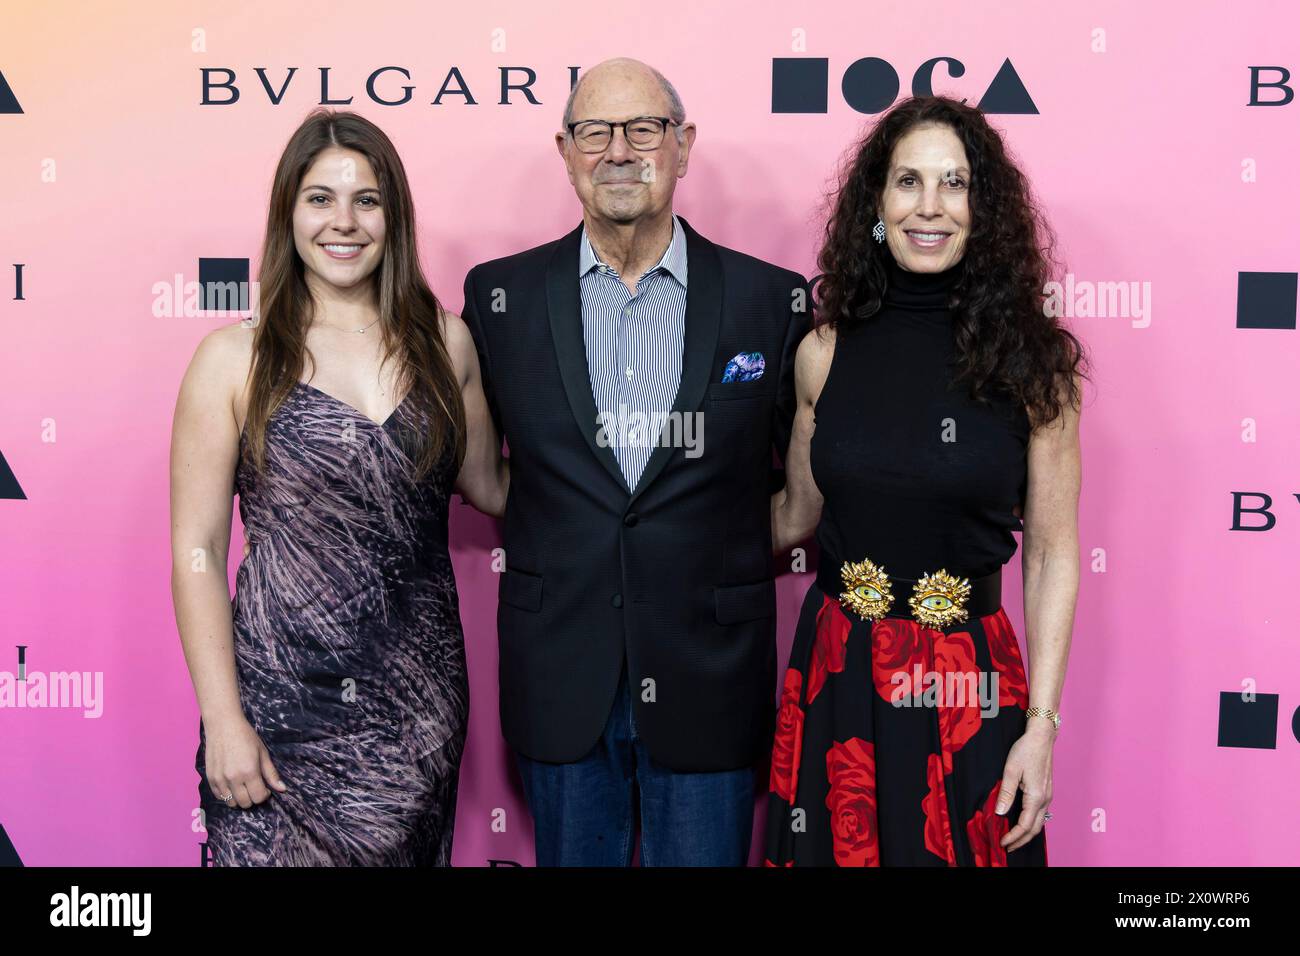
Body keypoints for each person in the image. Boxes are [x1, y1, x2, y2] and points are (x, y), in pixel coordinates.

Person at [461, 57, 810, 866]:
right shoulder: (499, 301)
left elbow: (802, 489)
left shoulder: (772, 300)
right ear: (565, 149)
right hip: (561, 674)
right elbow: (484, 478)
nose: (620, 151)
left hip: (709, 673)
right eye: (595, 132)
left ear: (683, 146)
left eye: (644, 129)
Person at [170, 108, 507, 866]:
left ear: (394, 215)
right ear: (288, 212)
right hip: (276, 707)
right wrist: (222, 718)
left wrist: (635, 477)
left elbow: (491, 486)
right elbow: (196, 550)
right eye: (320, 198)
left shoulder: (445, 342)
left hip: (415, 709)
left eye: (367, 199)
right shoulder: (233, 359)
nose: (343, 221)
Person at [766, 95, 1085, 866]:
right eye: (908, 182)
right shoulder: (824, 352)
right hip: (838, 672)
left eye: (955, 183)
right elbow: (794, 517)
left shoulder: (1036, 368)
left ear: (985, 208)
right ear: (876, 203)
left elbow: (1050, 556)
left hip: (969, 683)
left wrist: (1040, 725)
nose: (930, 207)